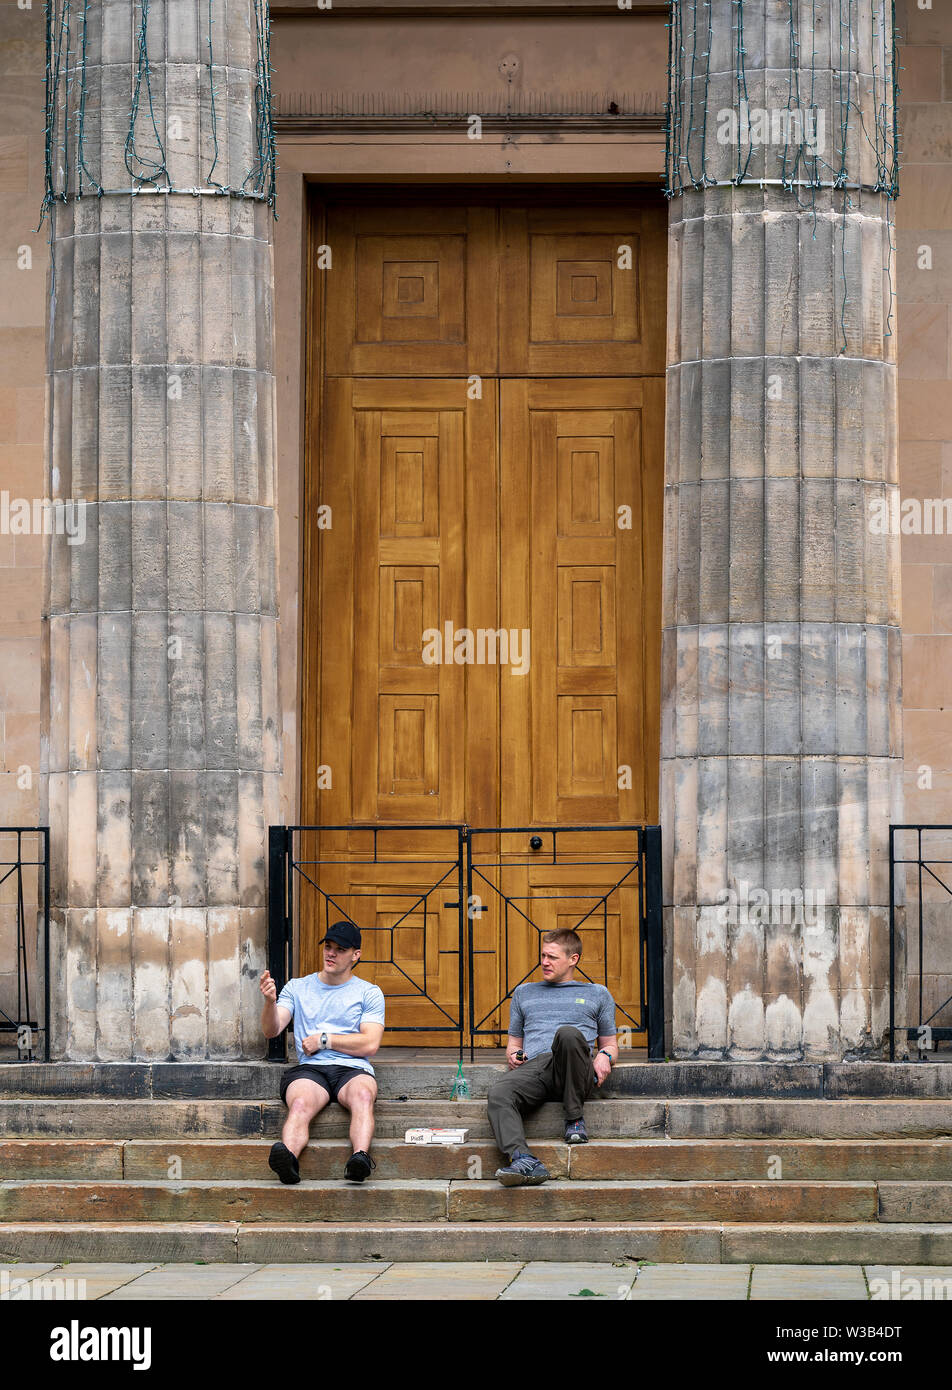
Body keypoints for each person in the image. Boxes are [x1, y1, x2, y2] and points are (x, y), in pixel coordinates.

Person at [487, 928, 618, 1186]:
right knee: (499, 1094)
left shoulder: (597, 993)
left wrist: (604, 1055)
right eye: (543, 955)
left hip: (575, 1067)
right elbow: (514, 1043)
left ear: (573, 959)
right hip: (537, 1068)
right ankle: (523, 1160)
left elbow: (611, 1043)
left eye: (552, 957)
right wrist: (514, 1055)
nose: (544, 962)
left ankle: (574, 1119)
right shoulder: (524, 992)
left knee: (568, 1034)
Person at [259, 920, 385, 1184]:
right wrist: (270, 1003)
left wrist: (325, 1040)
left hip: (353, 1068)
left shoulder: (369, 993)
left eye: (340, 949)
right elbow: (272, 1030)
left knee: (363, 1095)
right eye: (328, 947)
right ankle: (288, 1163)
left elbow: (370, 1044)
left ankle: (360, 1159)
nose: (331, 953)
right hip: (311, 1070)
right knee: (301, 1103)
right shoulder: (297, 987)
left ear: (356, 955)